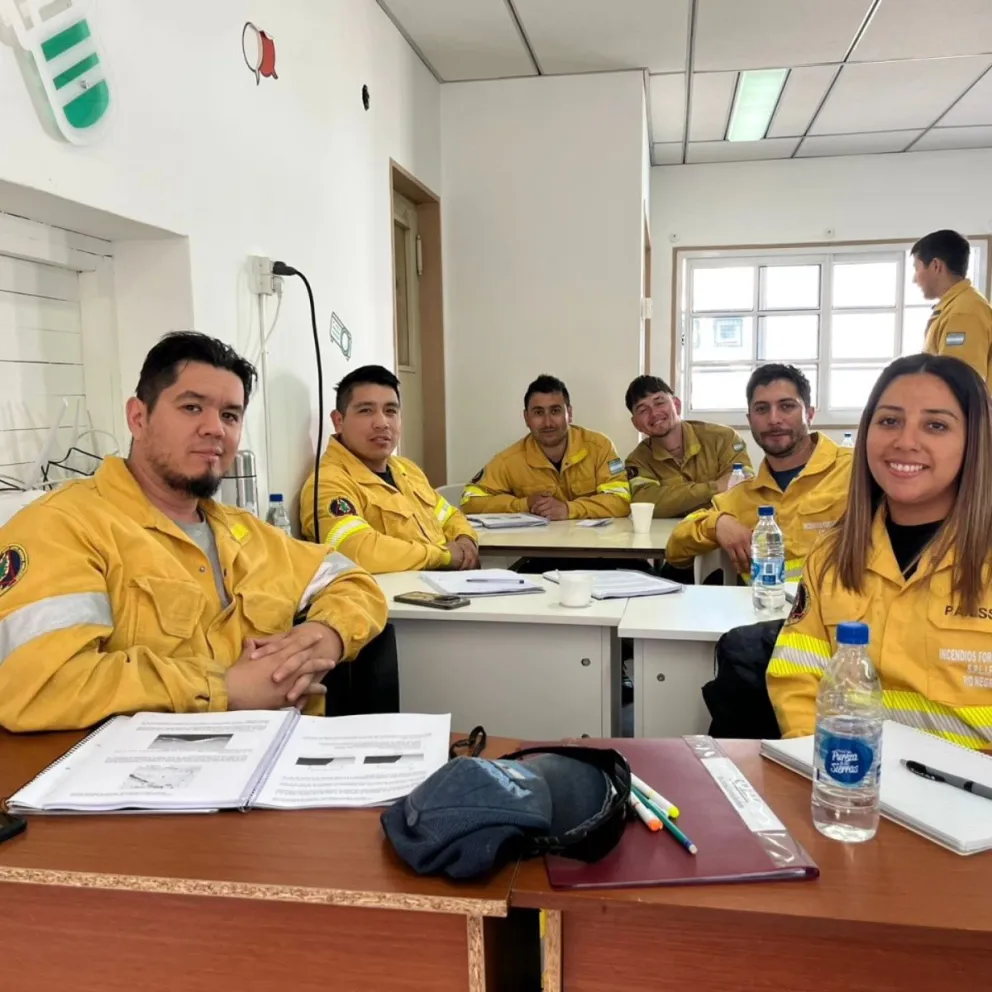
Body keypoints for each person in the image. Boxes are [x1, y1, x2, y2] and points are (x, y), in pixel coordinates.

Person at [0, 332, 387, 733]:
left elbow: (354, 581)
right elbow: (42, 686)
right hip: (146, 785)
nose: (214, 429)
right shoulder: (62, 526)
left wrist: (322, 636)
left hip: (287, 766)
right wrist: (223, 688)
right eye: (191, 407)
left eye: (230, 415)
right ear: (138, 417)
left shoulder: (248, 534)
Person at [769, 354, 992, 749]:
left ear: (975, 441)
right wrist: (833, 770)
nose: (905, 441)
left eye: (936, 425)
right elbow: (796, 679)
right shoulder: (831, 557)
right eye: (889, 421)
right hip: (849, 789)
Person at [666, 364, 852, 580]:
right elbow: (675, 551)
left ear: (809, 414)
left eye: (787, 406)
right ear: (750, 420)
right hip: (764, 610)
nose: (773, 419)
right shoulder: (741, 497)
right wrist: (717, 523)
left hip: (843, 612)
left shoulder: (853, 472)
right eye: (762, 409)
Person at [299, 365, 479, 573]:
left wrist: (465, 540)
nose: (382, 423)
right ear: (339, 421)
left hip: (449, 587)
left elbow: (450, 516)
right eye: (366, 411)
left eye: (390, 411)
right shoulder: (327, 483)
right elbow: (358, 550)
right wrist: (443, 555)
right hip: (397, 600)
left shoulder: (406, 469)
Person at [461, 375, 631, 519]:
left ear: (569, 413)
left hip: (600, 550)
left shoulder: (600, 447)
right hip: (544, 553)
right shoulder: (510, 459)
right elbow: (470, 500)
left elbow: (621, 498)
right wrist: (523, 504)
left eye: (555, 411)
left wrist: (568, 509)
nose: (548, 422)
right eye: (538, 413)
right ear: (526, 418)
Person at [623, 375, 751, 519]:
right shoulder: (637, 461)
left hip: (727, 531)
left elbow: (744, 485)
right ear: (636, 424)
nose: (654, 413)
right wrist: (714, 488)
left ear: (677, 405)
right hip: (668, 537)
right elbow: (645, 504)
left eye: (659, 403)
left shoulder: (724, 438)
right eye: (643, 410)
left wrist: (673, 499)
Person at [913, 229, 992, 385]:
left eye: (917, 268)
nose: (914, 279)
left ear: (936, 266)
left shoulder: (964, 312)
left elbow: (960, 386)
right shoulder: (957, 307)